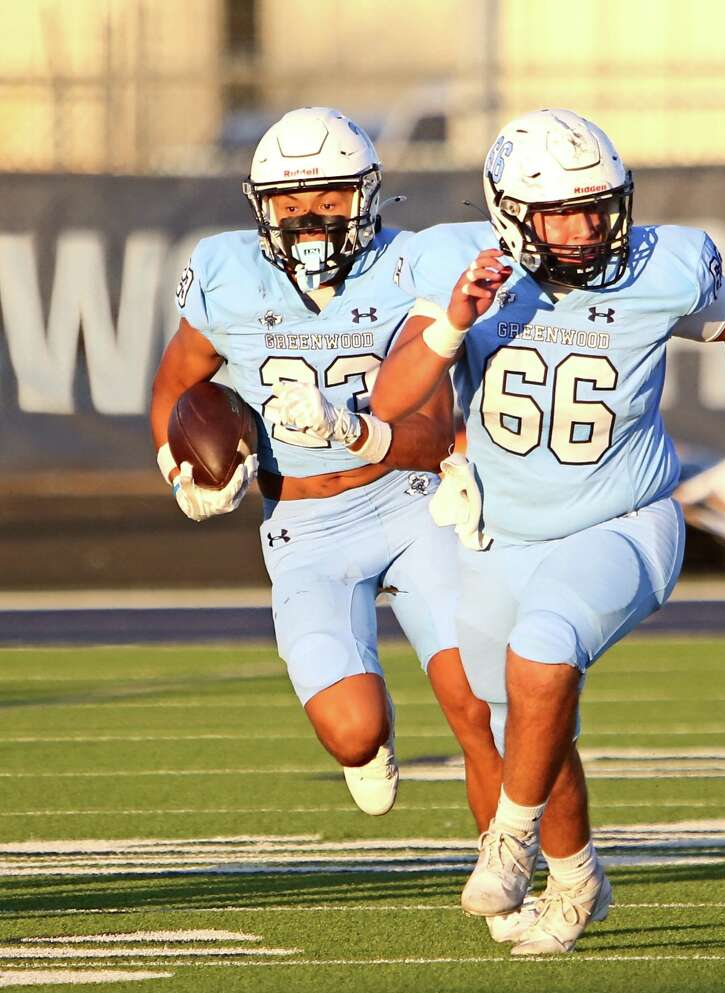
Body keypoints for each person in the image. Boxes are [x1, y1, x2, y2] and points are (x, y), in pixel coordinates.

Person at [371, 108, 725, 954]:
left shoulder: (662, 267)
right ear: (511, 213)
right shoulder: (461, 262)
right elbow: (389, 400)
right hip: (502, 532)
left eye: (598, 206)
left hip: (623, 520)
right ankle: (578, 877)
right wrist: (454, 322)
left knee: (545, 653)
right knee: (524, 719)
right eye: (563, 211)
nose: (587, 227)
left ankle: (511, 840)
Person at [148, 107, 503, 839]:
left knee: (478, 708)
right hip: (303, 528)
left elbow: (432, 431)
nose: (309, 217)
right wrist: (181, 468)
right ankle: (369, 736)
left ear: (367, 197)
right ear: (262, 206)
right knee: (352, 731)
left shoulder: (414, 265)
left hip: (412, 505)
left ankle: (512, 867)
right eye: (290, 201)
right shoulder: (227, 272)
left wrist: (348, 428)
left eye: (331, 198)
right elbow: (175, 388)